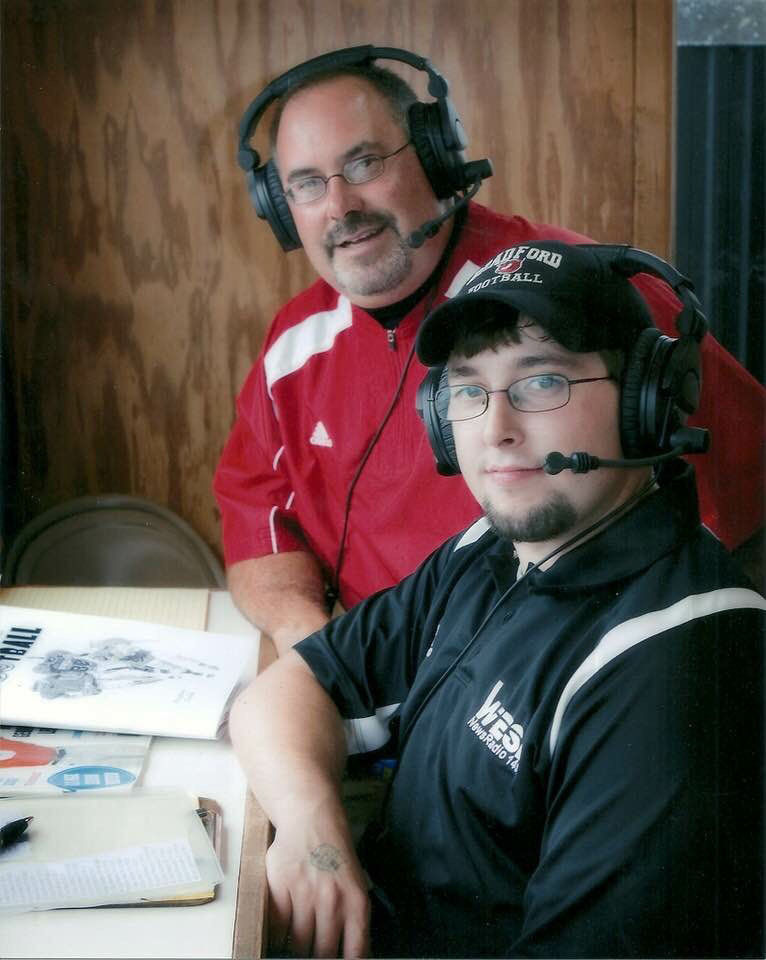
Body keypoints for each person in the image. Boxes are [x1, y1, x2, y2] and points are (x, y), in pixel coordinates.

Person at [230, 240, 765, 959]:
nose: (495, 430)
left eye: (541, 381)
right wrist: (309, 827)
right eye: (469, 389)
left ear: (647, 397)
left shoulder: (676, 664)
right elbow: (287, 689)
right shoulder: (492, 550)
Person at [214, 51, 765, 653]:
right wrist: (312, 646)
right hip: (381, 684)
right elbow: (257, 523)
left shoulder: (592, 295)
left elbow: (749, 509)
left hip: (557, 681)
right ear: (281, 208)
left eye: (364, 163)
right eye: (306, 184)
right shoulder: (293, 347)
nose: (340, 207)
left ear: (436, 156)